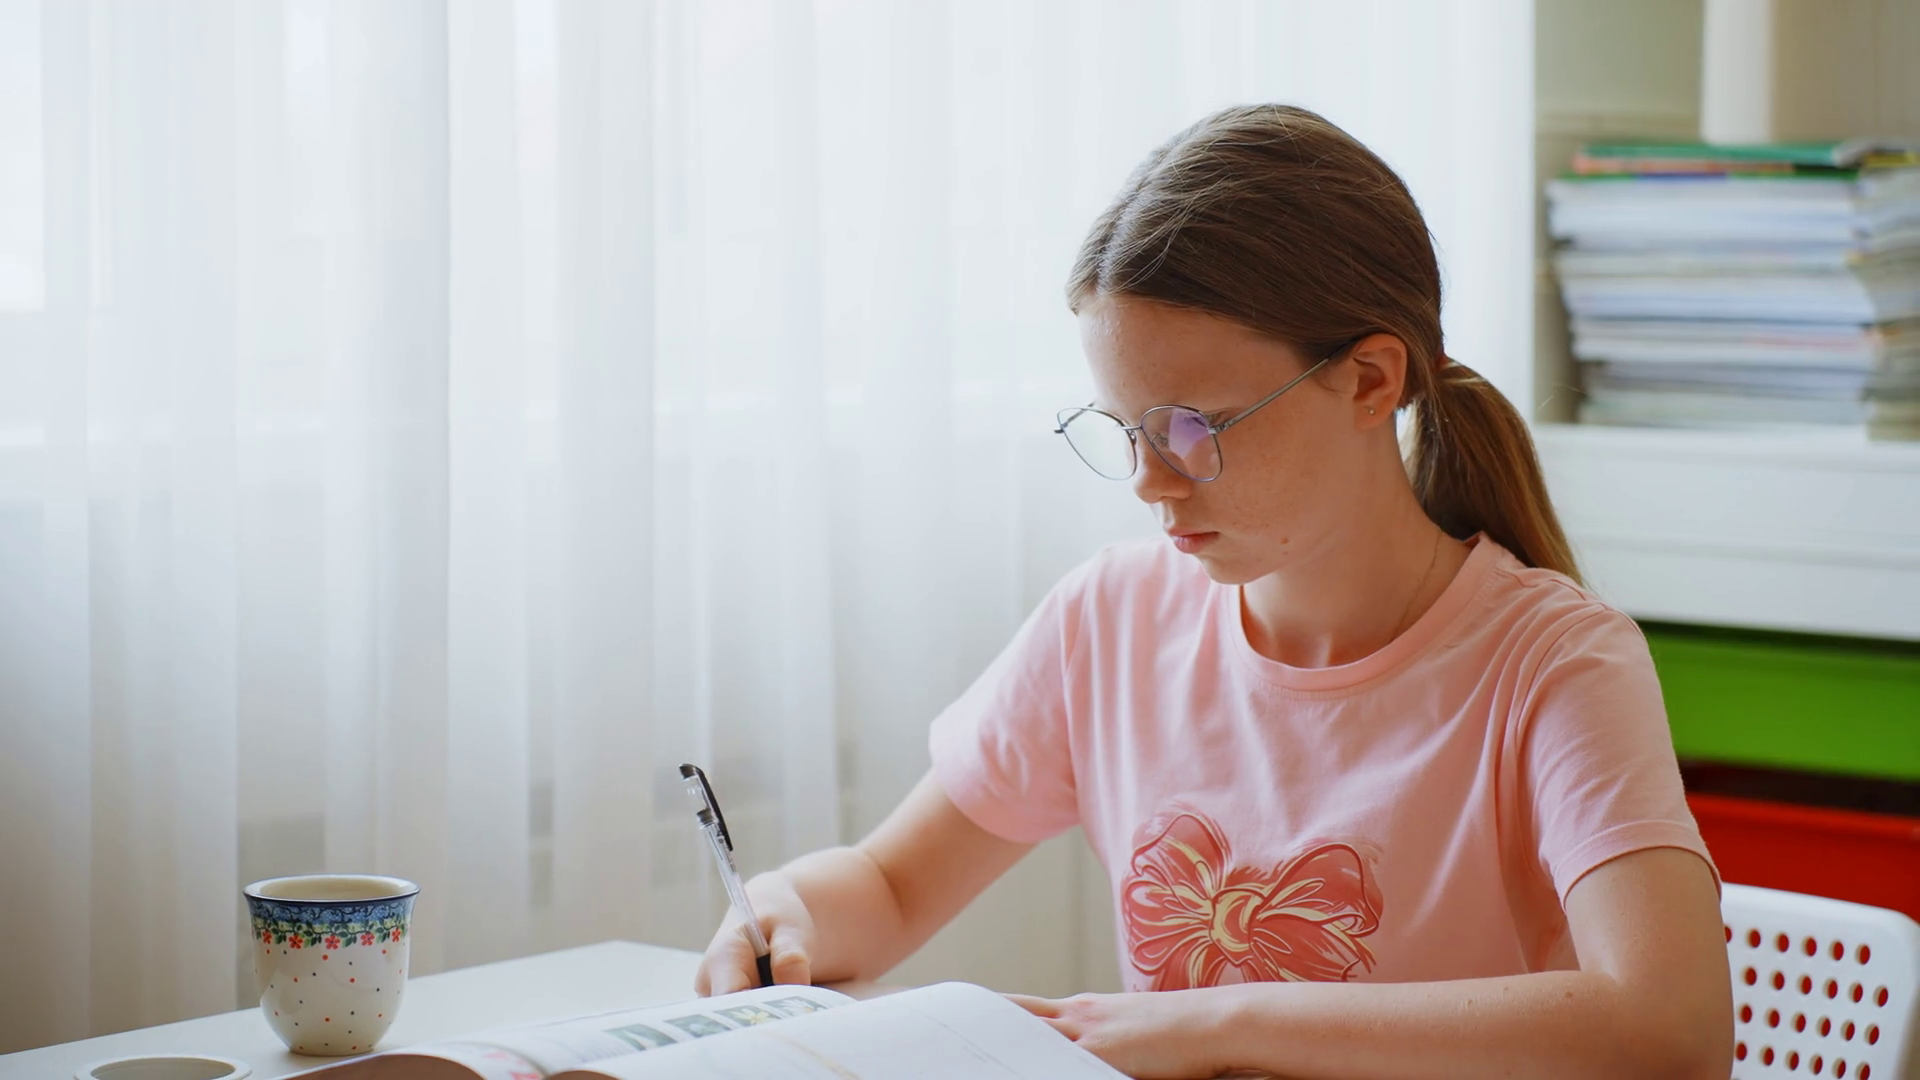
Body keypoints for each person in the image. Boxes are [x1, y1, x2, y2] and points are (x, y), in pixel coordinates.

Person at [696, 104, 1732, 1079]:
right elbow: (890, 886)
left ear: (1372, 380)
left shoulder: (1552, 663)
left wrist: (1217, 1021)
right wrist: (787, 908)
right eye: (1128, 430)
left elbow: (1673, 1029)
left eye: (1195, 427)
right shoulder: (1110, 623)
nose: (1151, 479)